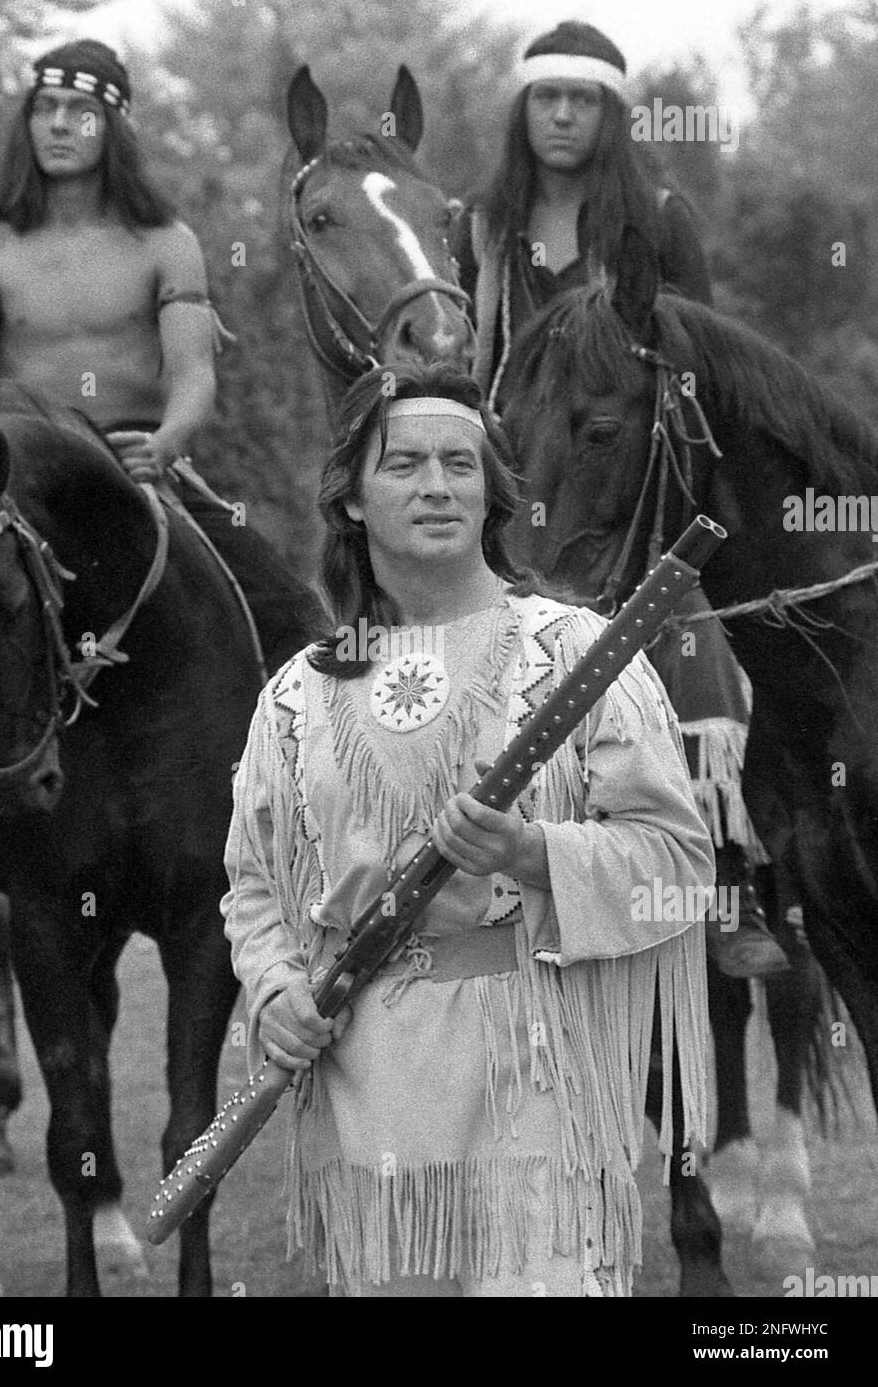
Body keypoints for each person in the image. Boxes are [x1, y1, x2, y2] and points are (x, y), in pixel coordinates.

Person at [222, 361, 714, 1296]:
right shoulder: (298, 693)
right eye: (403, 463)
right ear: (353, 500)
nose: (437, 485)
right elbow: (253, 884)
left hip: (534, 1086)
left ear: (493, 493)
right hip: (367, 1099)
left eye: (461, 462)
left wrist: (534, 854)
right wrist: (279, 988)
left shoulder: (574, 649)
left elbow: (679, 865)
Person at [0, 39, 320, 996]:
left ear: (113, 125)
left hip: (140, 468)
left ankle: (307, 846)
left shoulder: (164, 242)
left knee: (297, 617)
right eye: (45, 107)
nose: (58, 125)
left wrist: (169, 442)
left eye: (80, 110)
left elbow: (195, 372)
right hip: (14, 477)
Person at [452, 21, 788, 979]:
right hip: (522, 468)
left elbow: (697, 353)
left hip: (633, 476)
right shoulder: (481, 221)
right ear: (524, 110)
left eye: (584, 97)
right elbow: (475, 356)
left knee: (696, 630)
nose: (563, 114)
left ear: (611, 110)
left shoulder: (660, 218)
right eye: (547, 96)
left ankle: (728, 887)